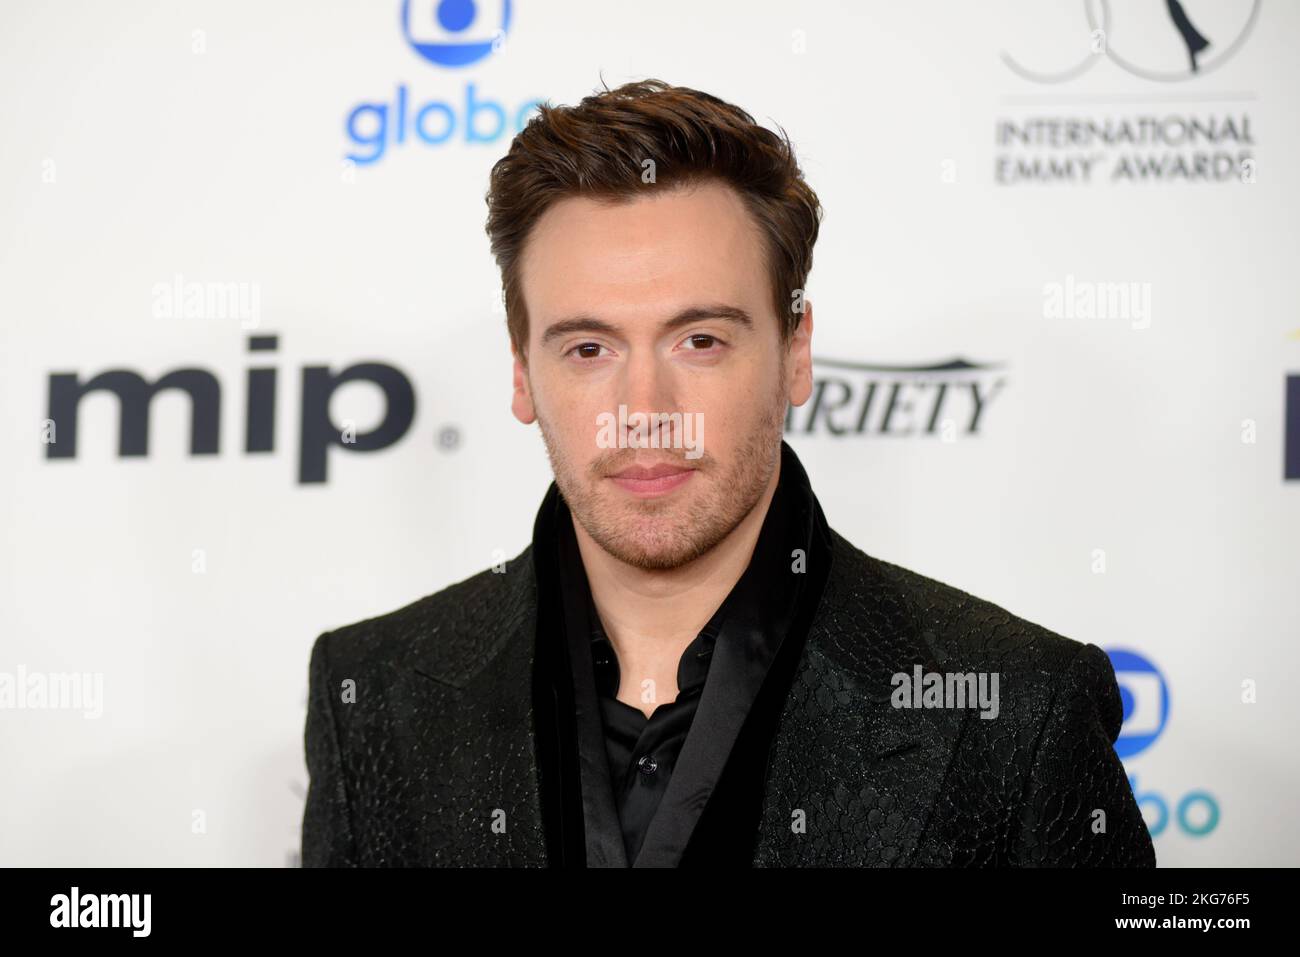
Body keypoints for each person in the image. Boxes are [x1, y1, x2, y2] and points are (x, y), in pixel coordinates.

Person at [301, 79, 1156, 868]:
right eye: (589, 348)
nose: (645, 406)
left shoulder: (1016, 708)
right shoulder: (371, 694)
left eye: (699, 340)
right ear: (524, 374)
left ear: (795, 353)